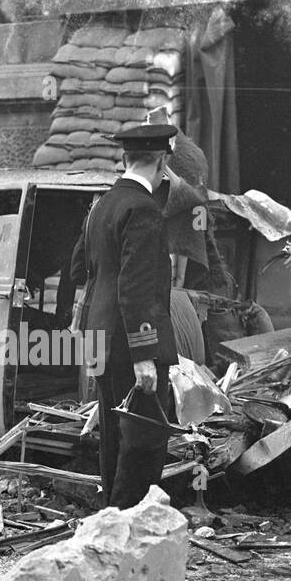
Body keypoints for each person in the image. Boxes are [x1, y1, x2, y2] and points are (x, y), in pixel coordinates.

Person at [70, 124, 179, 508]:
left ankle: (109, 520)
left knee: (115, 436)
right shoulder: (144, 209)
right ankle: (128, 526)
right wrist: (144, 355)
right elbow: (136, 289)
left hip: (101, 338)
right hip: (130, 344)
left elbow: (78, 269)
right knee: (144, 441)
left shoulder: (102, 205)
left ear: (125, 158)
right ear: (162, 162)